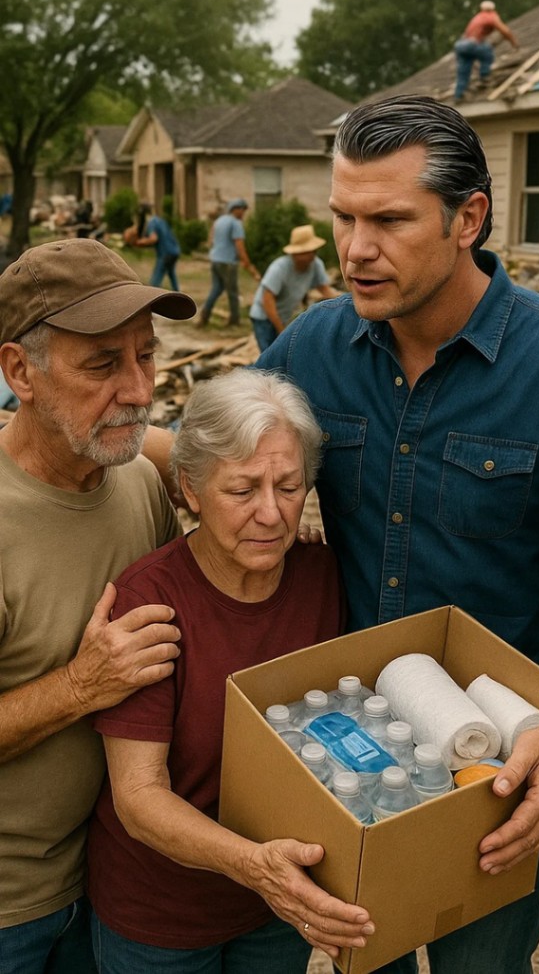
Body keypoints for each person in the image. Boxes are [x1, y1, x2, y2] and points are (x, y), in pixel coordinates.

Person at [248, 94, 539, 974]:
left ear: (467, 218)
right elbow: (217, 451)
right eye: (344, 217)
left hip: (495, 765)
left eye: (389, 220)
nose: (356, 249)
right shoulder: (313, 347)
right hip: (349, 745)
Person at [87, 369, 374, 969]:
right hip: (162, 914)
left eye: (289, 487)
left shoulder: (322, 574)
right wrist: (255, 865)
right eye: (242, 491)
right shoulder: (150, 602)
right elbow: (139, 797)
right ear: (190, 489)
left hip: (276, 904)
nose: (271, 514)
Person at [0, 239, 192, 971]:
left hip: (106, 882)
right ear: (20, 372)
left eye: (146, 355)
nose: (139, 389)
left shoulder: (135, 479)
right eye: (103, 364)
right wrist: (80, 686)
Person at [248, 224, 332, 353]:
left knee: (282, 354)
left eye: (313, 251)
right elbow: (267, 299)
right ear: (297, 253)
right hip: (264, 317)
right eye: (308, 252)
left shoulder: (315, 265)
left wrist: (346, 302)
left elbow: (324, 289)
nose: (312, 255)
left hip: (283, 316)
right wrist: (281, 330)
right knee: (268, 355)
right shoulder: (279, 268)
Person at [202, 199, 260, 327]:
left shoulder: (219, 221)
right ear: (236, 209)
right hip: (227, 262)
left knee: (216, 289)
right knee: (233, 292)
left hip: (215, 259)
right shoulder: (235, 223)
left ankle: (204, 315)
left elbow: (211, 240)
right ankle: (234, 319)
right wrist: (247, 263)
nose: (243, 213)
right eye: (242, 210)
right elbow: (239, 246)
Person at [453, 0, 520, 101]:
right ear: (492, 9)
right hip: (471, 44)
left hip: (461, 45)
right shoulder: (491, 16)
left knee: (463, 70)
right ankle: (484, 78)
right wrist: (514, 43)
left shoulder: (478, 16)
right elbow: (505, 31)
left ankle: (459, 95)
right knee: (487, 51)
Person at [129, 202, 181, 292]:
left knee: (155, 280)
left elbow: (153, 238)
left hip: (165, 253)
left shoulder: (151, 223)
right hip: (174, 250)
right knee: (171, 273)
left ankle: (151, 295)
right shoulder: (160, 220)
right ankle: (178, 294)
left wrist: (140, 242)